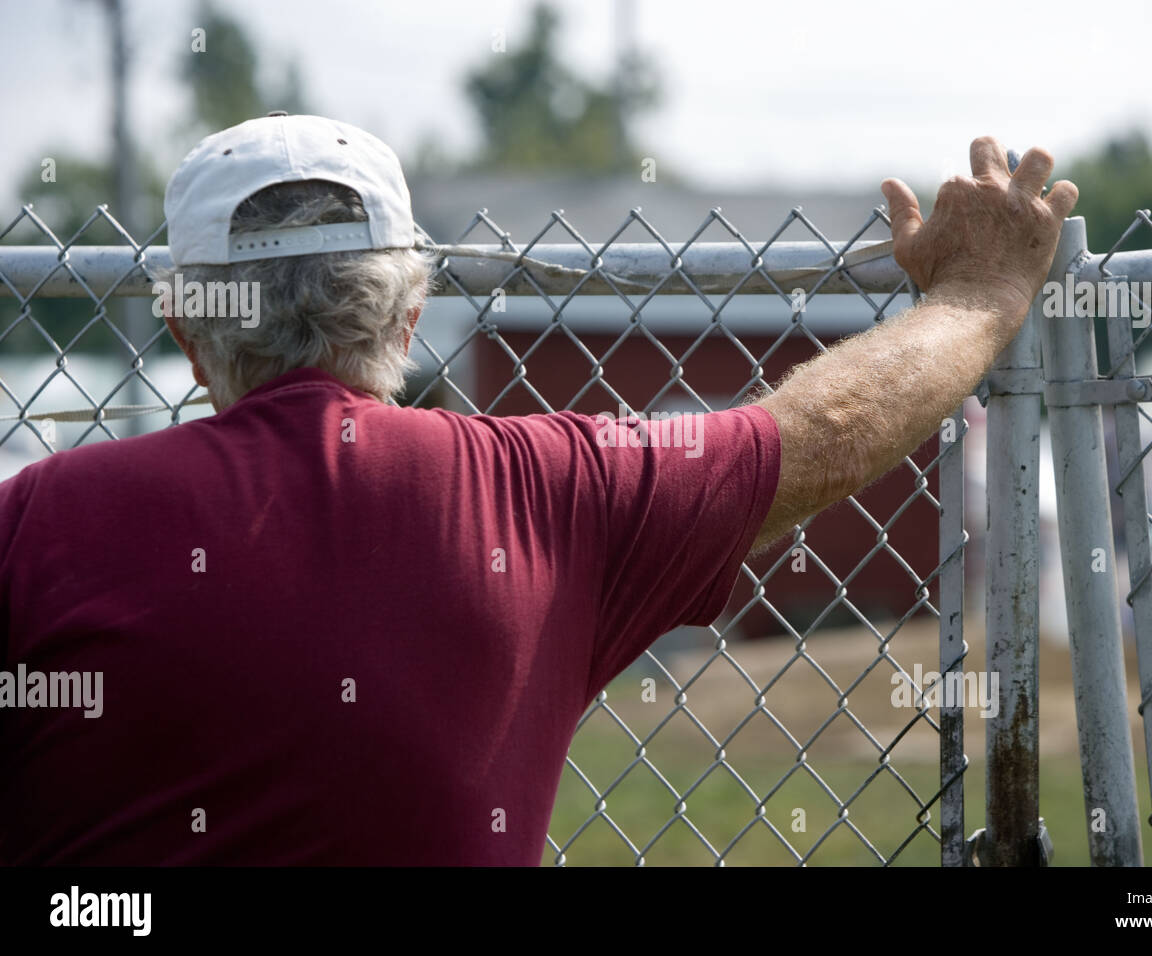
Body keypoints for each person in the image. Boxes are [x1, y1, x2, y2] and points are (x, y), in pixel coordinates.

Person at [0, 115, 1076, 864]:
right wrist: (980, 296)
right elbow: (821, 432)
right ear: (410, 315)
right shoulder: (543, 492)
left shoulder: (33, 520)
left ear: (188, 333)